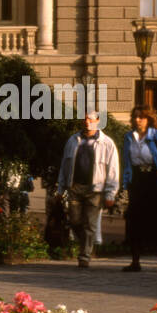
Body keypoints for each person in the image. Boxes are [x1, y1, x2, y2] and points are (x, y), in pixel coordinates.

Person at [55, 109, 119, 267]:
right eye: (84, 119)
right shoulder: (73, 140)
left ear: (98, 120)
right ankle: (85, 243)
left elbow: (113, 170)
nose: (87, 122)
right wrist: (60, 189)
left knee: (90, 223)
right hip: (75, 188)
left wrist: (111, 194)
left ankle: (84, 256)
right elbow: (65, 165)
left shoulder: (107, 143)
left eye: (90, 119)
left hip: (95, 189)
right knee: (75, 221)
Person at [120, 107, 157, 272]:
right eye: (135, 117)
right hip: (138, 180)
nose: (138, 120)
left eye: (142, 117)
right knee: (134, 220)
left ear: (149, 119)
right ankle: (135, 260)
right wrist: (126, 185)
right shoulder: (128, 137)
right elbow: (126, 162)